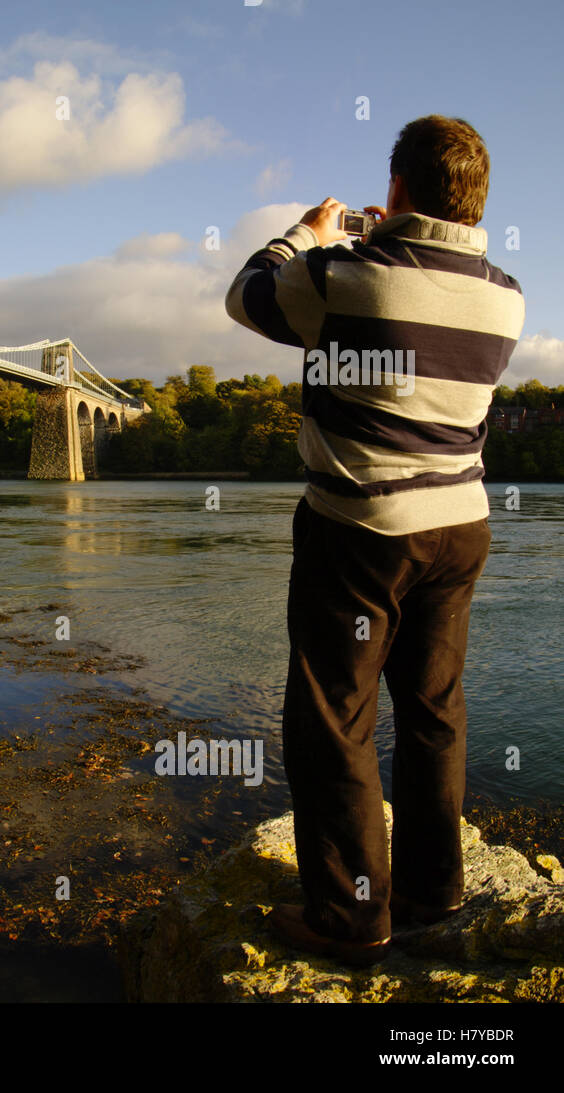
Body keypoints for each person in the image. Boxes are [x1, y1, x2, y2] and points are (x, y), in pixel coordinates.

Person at [224, 116, 525, 965]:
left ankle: (353, 914)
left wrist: (307, 233)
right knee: (434, 712)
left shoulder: (346, 275)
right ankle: (435, 889)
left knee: (335, 719)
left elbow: (247, 294)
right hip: (459, 528)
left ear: (394, 188)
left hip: (359, 530)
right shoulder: (508, 294)